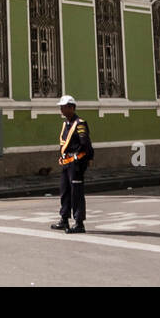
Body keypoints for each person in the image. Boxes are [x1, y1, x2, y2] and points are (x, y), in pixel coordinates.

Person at [51, 94, 94, 234]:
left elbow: (86, 143)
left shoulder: (80, 123)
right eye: (61, 107)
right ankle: (64, 219)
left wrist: (88, 158)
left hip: (76, 164)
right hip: (66, 163)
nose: (61, 110)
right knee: (65, 192)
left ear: (71, 108)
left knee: (76, 193)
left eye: (63, 107)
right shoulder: (66, 124)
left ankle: (79, 223)